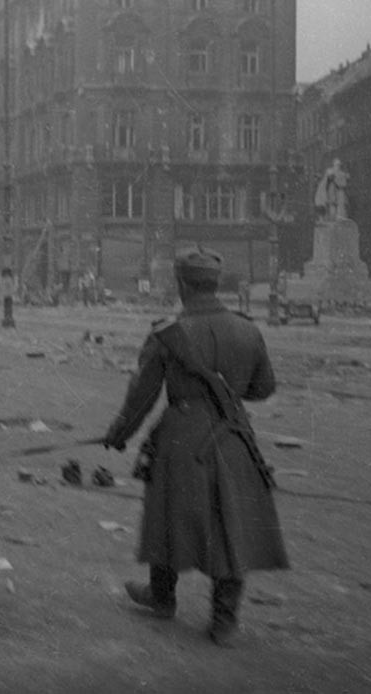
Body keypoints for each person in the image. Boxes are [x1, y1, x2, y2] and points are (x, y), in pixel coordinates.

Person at [98, 246, 288, 647]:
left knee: (166, 510)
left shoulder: (167, 332)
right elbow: (263, 388)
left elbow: (142, 396)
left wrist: (119, 433)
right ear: (216, 284)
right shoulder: (248, 329)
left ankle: (162, 596)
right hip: (234, 435)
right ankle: (224, 619)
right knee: (230, 521)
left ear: (182, 284)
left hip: (181, 434)